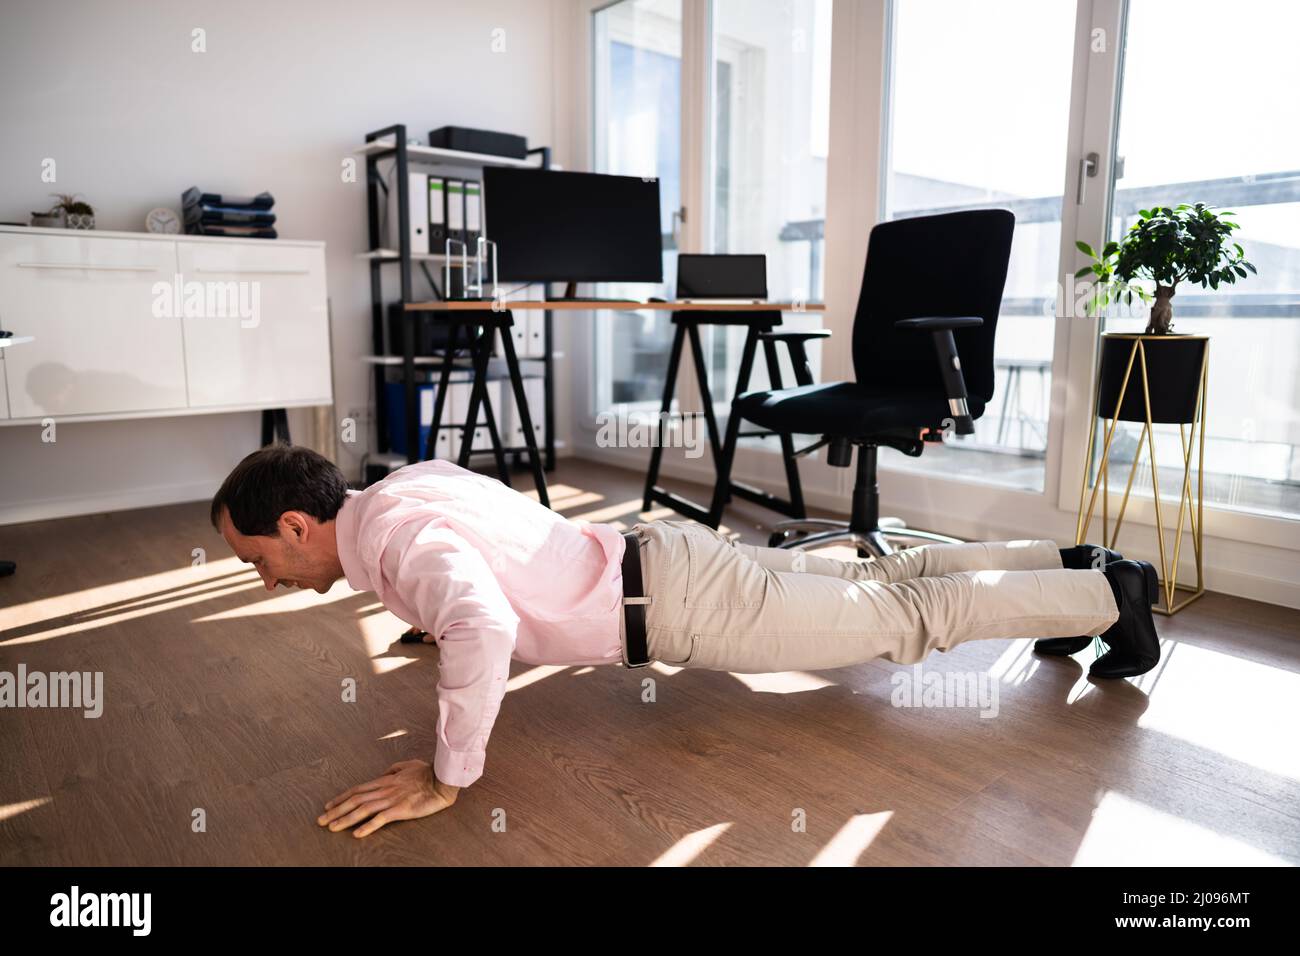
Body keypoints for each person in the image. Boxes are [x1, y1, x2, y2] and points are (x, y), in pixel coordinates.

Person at [209, 445, 1159, 837]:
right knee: (880, 579)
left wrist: (450, 774)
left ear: (297, 526)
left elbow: (484, 620)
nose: (266, 578)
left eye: (257, 559)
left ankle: (1107, 599)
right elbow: (487, 547)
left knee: (900, 617)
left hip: (680, 605)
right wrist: (437, 614)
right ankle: (1072, 561)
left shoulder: (394, 541)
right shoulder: (396, 491)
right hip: (665, 554)